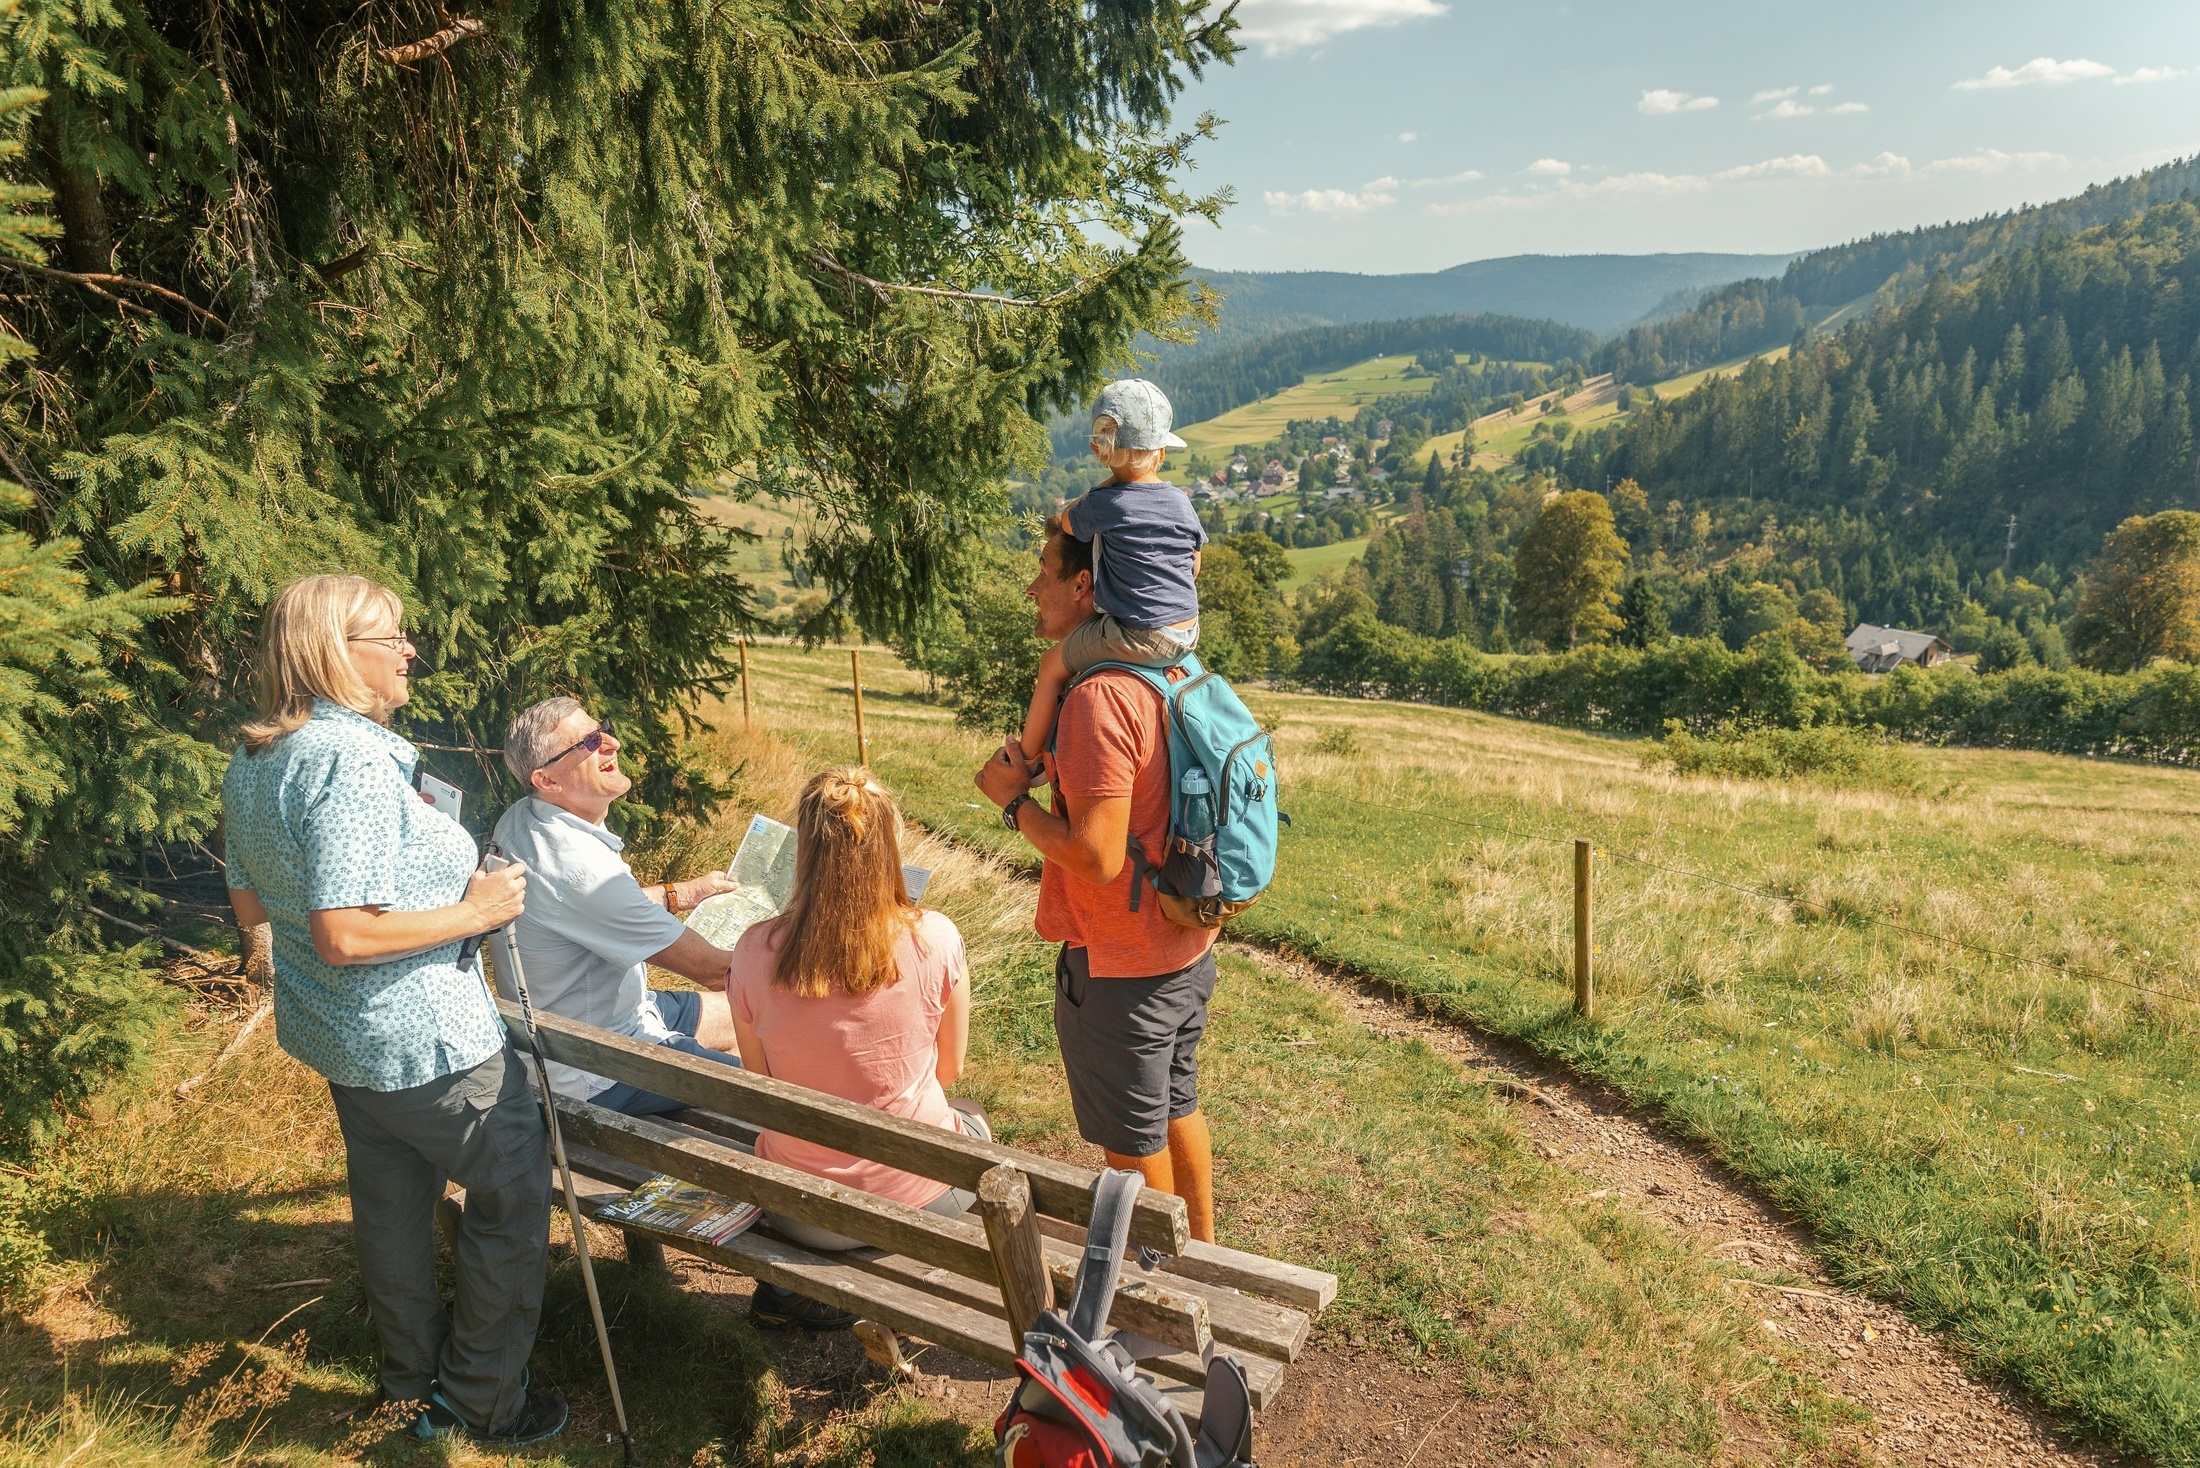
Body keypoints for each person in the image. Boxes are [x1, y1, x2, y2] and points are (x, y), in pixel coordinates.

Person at [219, 575, 566, 1448]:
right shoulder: (350, 761)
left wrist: (418, 885)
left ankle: (412, 1384)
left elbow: (253, 908)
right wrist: (475, 911)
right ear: (335, 652)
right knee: (511, 1197)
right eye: (392, 636)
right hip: (431, 1041)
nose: (411, 650)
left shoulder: (258, 757)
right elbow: (342, 932)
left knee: (392, 1213)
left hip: (342, 1041)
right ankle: (483, 1402)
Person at [976, 521, 1220, 1242]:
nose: (1031, 588)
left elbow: (1095, 857)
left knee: (1133, 1143)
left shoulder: (1099, 698)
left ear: (1083, 584)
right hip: (1183, 942)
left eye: (1043, 572)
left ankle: (1162, 1288)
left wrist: (1013, 805)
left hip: (1121, 964)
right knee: (1176, 1107)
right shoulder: (1169, 666)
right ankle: (1213, 1267)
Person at [724, 769, 987, 1329]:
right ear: (890, 846)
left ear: (803, 849)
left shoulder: (752, 949)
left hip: (797, 1207)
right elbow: (951, 1068)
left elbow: (760, 1081)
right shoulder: (935, 936)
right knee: (973, 1119)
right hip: (915, 1197)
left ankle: (791, 1291)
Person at [490, 697, 746, 1115]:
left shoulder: (524, 818)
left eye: (602, 729)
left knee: (746, 1020)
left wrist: (679, 894)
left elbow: (584, 910)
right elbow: (718, 972)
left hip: (604, 1021)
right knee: (777, 1085)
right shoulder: (580, 869)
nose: (612, 743)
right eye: (589, 742)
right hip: (597, 1070)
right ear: (547, 780)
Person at [1016, 378, 1205, 773]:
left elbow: (1067, 522)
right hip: (1187, 633)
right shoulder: (1180, 501)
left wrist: (1103, 488)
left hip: (1139, 635)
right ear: (1162, 451)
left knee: (1051, 667)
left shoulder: (1106, 503)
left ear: (1097, 449)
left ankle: (1025, 761)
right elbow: (1193, 565)